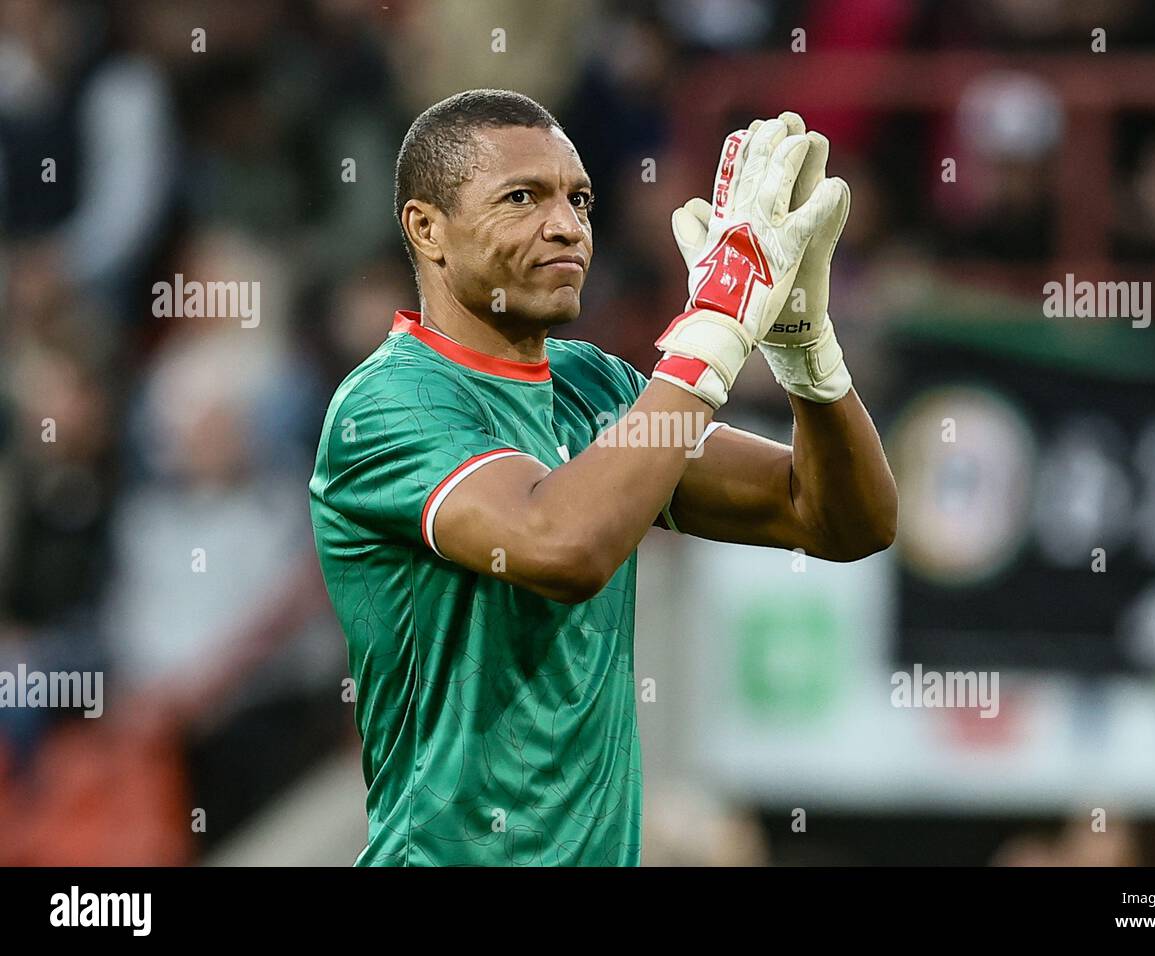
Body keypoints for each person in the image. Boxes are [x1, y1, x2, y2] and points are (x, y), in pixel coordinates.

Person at [308, 88, 897, 866]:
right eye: (522, 197)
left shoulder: (596, 389)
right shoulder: (387, 405)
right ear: (427, 229)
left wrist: (803, 350)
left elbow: (839, 520)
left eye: (579, 199)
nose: (567, 225)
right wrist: (714, 327)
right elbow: (564, 547)